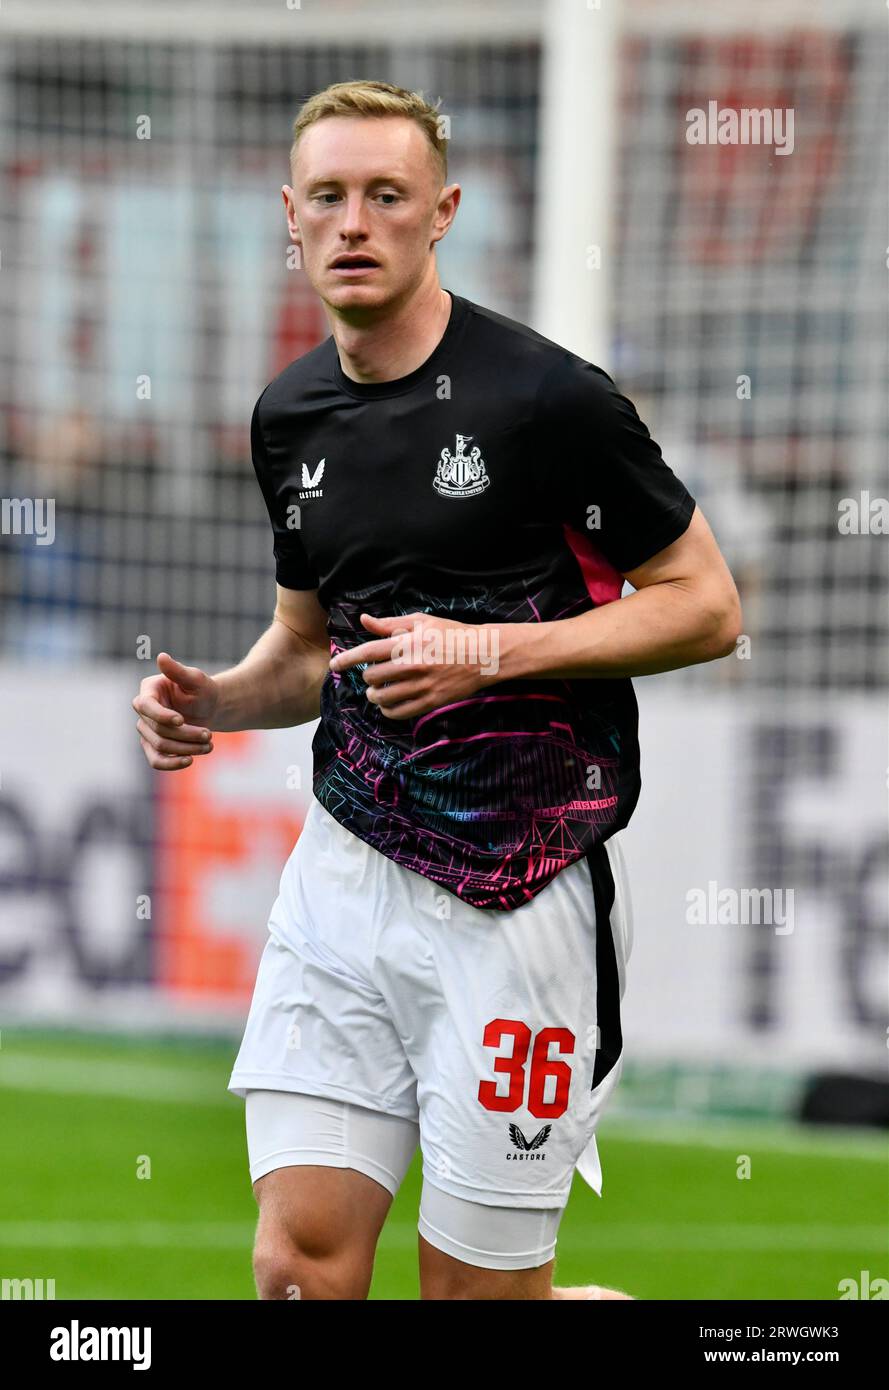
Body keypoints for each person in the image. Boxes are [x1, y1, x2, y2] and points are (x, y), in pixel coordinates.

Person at [132, 79, 742, 1301]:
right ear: (290, 218)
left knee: (477, 1300)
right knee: (298, 1270)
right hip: (346, 877)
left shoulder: (548, 400)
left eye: (387, 196)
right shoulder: (287, 414)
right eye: (329, 197)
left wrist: (489, 652)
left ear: (443, 211)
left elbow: (707, 606)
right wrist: (219, 703)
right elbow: (310, 650)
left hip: (518, 890)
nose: (355, 221)